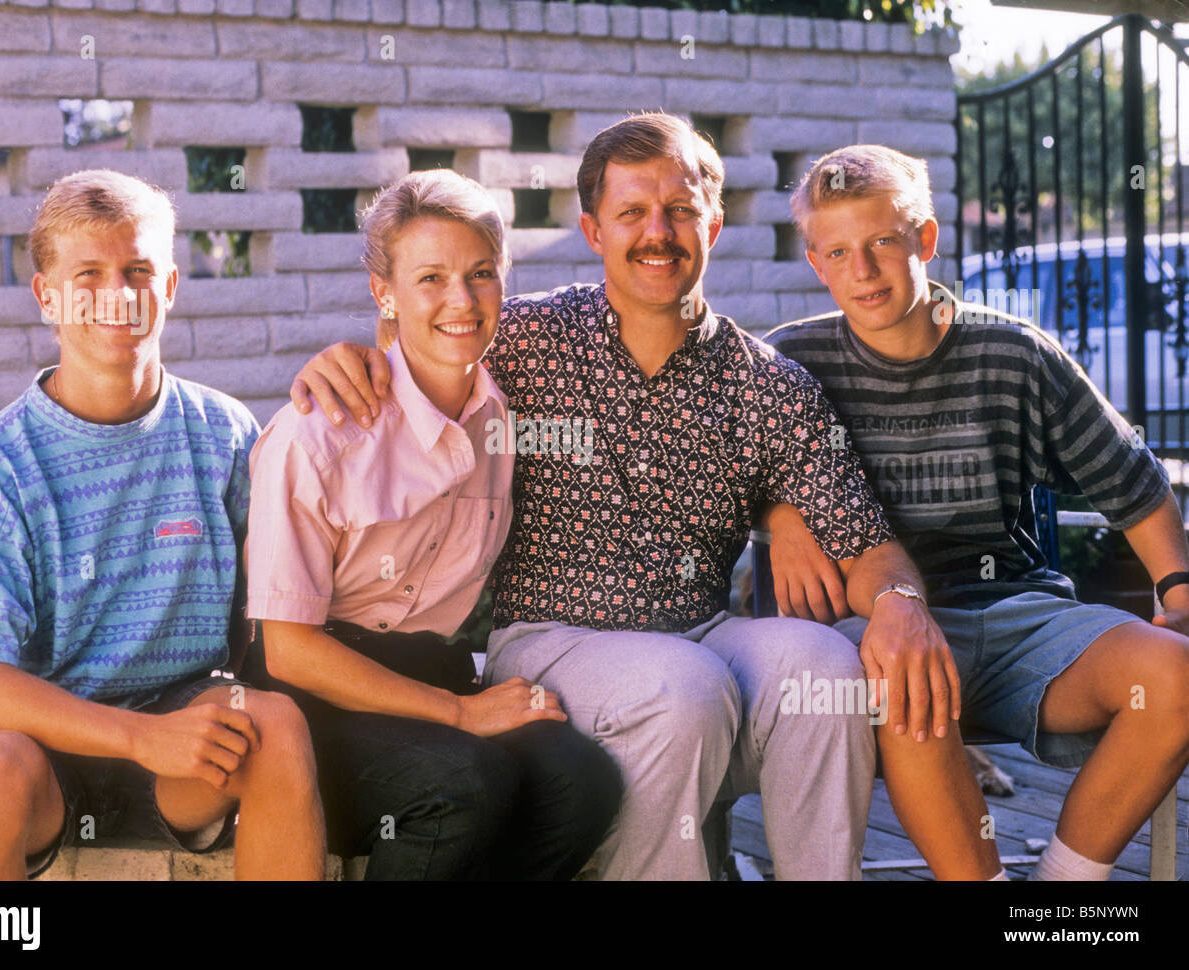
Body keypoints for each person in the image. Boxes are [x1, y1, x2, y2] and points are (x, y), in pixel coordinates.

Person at [289, 113, 965, 881]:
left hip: (701, 633)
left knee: (825, 667)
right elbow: (423, 334)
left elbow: (867, 543)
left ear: (712, 220)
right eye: (632, 213)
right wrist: (349, 357)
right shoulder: (522, 340)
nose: (659, 233)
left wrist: (900, 601)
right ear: (592, 229)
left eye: (680, 210)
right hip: (552, 640)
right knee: (682, 687)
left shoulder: (770, 386)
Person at [763, 143, 1189, 880]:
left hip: (1022, 618)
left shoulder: (1015, 353)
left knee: (1180, 676)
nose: (862, 270)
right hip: (869, 634)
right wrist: (779, 516)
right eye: (839, 251)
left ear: (924, 240)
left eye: (883, 243)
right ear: (815, 262)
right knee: (902, 664)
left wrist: (1180, 592)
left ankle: (1061, 887)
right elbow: (710, 477)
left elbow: (1133, 481)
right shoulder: (787, 364)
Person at [0, 169, 325, 880]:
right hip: (37, 752)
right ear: (47, 295)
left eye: (137, 270)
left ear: (169, 286)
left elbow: (279, 606)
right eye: (89, 273)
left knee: (273, 725)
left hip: (182, 739)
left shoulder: (226, 436)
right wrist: (141, 738)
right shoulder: (1, 466)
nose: (118, 294)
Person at [243, 169, 622, 880]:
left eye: (481, 274)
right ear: (382, 291)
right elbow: (289, 651)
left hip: (429, 670)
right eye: (430, 278)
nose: (461, 299)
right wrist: (457, 713)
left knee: (582, 784)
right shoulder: (316, 433)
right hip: (313, 696)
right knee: (461, 788)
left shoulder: (500, 417)